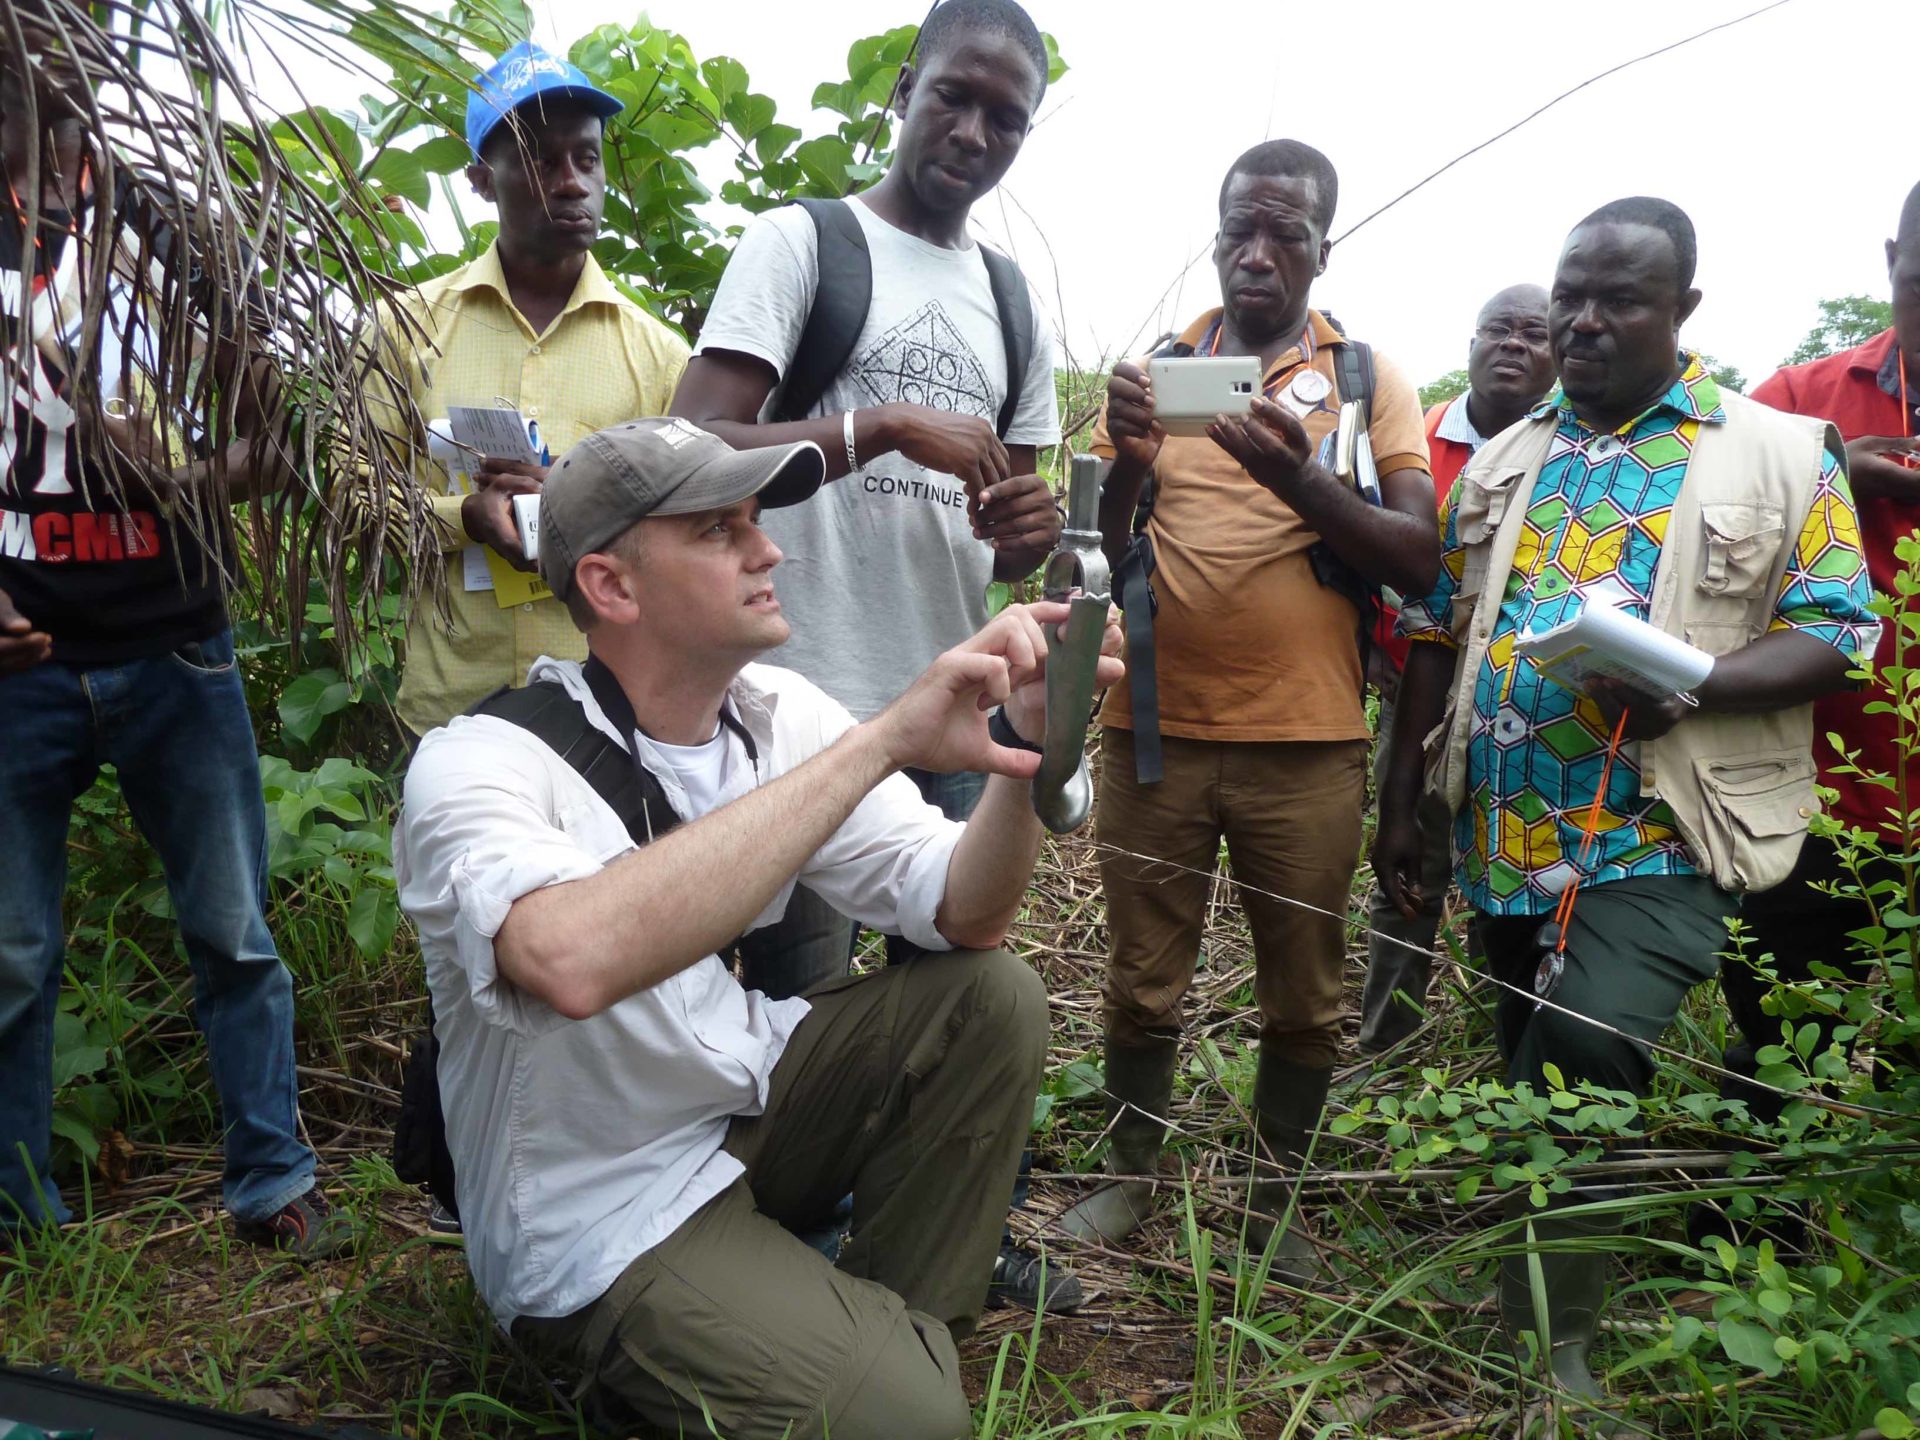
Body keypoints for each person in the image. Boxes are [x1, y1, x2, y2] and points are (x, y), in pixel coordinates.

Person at [395, 416, 1119, 1440]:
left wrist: (1026, 747)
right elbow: (567, 960)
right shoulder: (477, 764)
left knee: (988, 997)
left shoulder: (775, 712)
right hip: (597, 1207)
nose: (769, 549)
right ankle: (843, 1375)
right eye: (718, 531)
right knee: (913, 1424)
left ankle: (885, 1342)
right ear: (612, 587)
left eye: (756, 520)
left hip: (731, 1106)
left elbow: (964, 910)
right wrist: (884, 742)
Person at [1375, 197, 1877, 1407]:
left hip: (1664, 826)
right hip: (1502, 831)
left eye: (1622, 300)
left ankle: (1558, 1352)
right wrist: (1406, 803)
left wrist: (1698, 685)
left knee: (1589, 1052)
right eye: (1572, 296)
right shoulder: (1503, 456)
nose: (1586, 321)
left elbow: (1840, 628)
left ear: (1682, 311)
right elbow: (1439, 628)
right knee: (1526, 1063)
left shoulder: (1777, 451)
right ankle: (1529, 1276)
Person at [668, 0, 1071, 1309]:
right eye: (955, 96)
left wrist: (1028, 524)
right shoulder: (803, 245)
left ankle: (952, 1234)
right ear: (905, 89)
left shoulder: (1011, 299)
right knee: (807, 1007)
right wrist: (879, 424)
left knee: (961, 979)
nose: (974, 130)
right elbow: (688, 457)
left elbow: (1008, 542)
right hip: (804, 707)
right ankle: (809, 1252)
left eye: (1007, 116)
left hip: (952, 708)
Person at [1060, 139, 1440, 1282]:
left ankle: (1277, 1205)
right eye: (1239, 230)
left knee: (1304, 987)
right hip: (1155, 736)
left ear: (1327, 244)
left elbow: (1418, 558)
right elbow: (1096, 556)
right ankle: (1135, 1178)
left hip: (1309, 743)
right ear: (1215, 233)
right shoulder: (1160, 369)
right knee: (1141, 973)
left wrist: (1302, 477)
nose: (1258, 255)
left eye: (1287, 233)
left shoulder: (1369, 379)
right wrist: (1127, 458)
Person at [0, 61, 352, 1256]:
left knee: (235, 931)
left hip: (172, 644)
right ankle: (18, 1214)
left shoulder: (164, 226)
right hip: (17, 662)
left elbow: (284, 436)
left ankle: (272, 1178)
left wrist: (177, 482)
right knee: (10, 952)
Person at [370, 41, 689, 742]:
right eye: (543, 161)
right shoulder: (404, 329)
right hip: (450, 711)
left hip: (610, 717)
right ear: (483, 181)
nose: (573, 182)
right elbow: (347, 494)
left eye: (586, 157)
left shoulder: (661, 357)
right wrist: (465, 518)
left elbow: (693, 529)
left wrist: (576, 507)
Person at [1712, 182, 1920, 1135]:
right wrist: (1833, 460)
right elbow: (1701, 474)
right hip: (1813, 796)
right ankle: (1748, 1234)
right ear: (1890, 263)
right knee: (1778, 1039)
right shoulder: (1802, 399)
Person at [1357, 283, 1555, 1056]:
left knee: (1516, 866)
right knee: (1410, 866)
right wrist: (1369, 643)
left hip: (1528, 695)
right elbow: (1361, 547)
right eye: (1496, 330)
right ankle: (1387, 1047)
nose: (1512, 345)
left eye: (1533, 334)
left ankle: (1499, 1043)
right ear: (1470, 343)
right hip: (1418, 691)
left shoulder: (1569, 447)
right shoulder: (1418, 438)